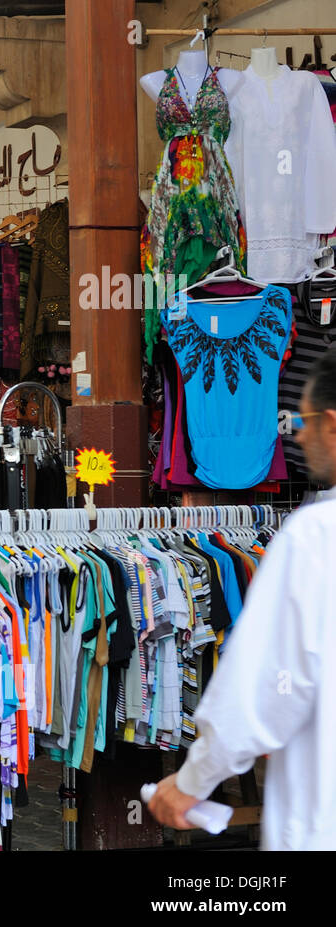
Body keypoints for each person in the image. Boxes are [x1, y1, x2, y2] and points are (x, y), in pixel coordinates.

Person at [148, 348, 336, 849]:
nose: (298, 433)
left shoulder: (315, 538)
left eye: (305, 420)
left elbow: (262, 687)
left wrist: (190, 783)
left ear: (333, 426)